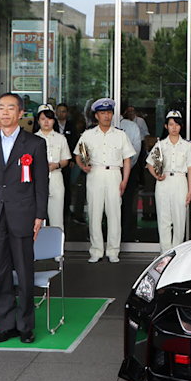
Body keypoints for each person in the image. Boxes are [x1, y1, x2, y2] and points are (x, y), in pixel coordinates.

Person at [0, 93, 48, 344]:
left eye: (10, 108)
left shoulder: (35, 144)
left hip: (23, 214)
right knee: (1, 273)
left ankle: (26, 325)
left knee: (25, 272)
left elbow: (41, 183)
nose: (4, 113)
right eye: (1, 108)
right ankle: (6, 324)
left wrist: (39, 215)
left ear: (20, 113)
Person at [74, 98, 135, 262]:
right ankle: (96, 250)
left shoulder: (121, 135)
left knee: (114, 213)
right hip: (95, 173)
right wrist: (82, 166)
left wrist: (125, 180)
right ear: (96, 115)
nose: (106, 116)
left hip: (114, 173)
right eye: (103, 113)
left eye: (109, 113)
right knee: (94, 213)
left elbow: (127, 159)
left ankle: (113, 250)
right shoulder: (88, 135)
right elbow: (78, 154)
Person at [149, 110, 191, 251]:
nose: (174, 127)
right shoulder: (160, 145)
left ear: (181, 126)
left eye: (177, 124)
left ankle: (177, 252)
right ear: (166, 126)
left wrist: (190, 191)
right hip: (164, 182)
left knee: (179, 220)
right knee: (164, 219)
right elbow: (150, 164)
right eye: (171, 124)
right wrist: (156, 176)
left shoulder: (187, 146)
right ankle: (164, 252)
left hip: (180, 181)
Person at [35, 105, 72, 230]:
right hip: (38, 179)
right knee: (37, 217)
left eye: (49, 119)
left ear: (53, 120)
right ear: (38, 120)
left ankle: (57, 247)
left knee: (57, 217)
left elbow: (66, 159)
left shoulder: (61, 139)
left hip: (56, 177)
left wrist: (57, 165)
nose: (46, 122)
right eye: (43, 119)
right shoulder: (32, 139)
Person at [117, 101, 145, 236]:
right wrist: (128, 167)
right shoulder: (132, 126)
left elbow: (136, 149)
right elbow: (136, 149)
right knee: (126, 201)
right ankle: (126, 230)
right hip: (128, 169)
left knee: (116, 202)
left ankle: (120, 231)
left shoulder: (132, 126)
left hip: (117, 170)